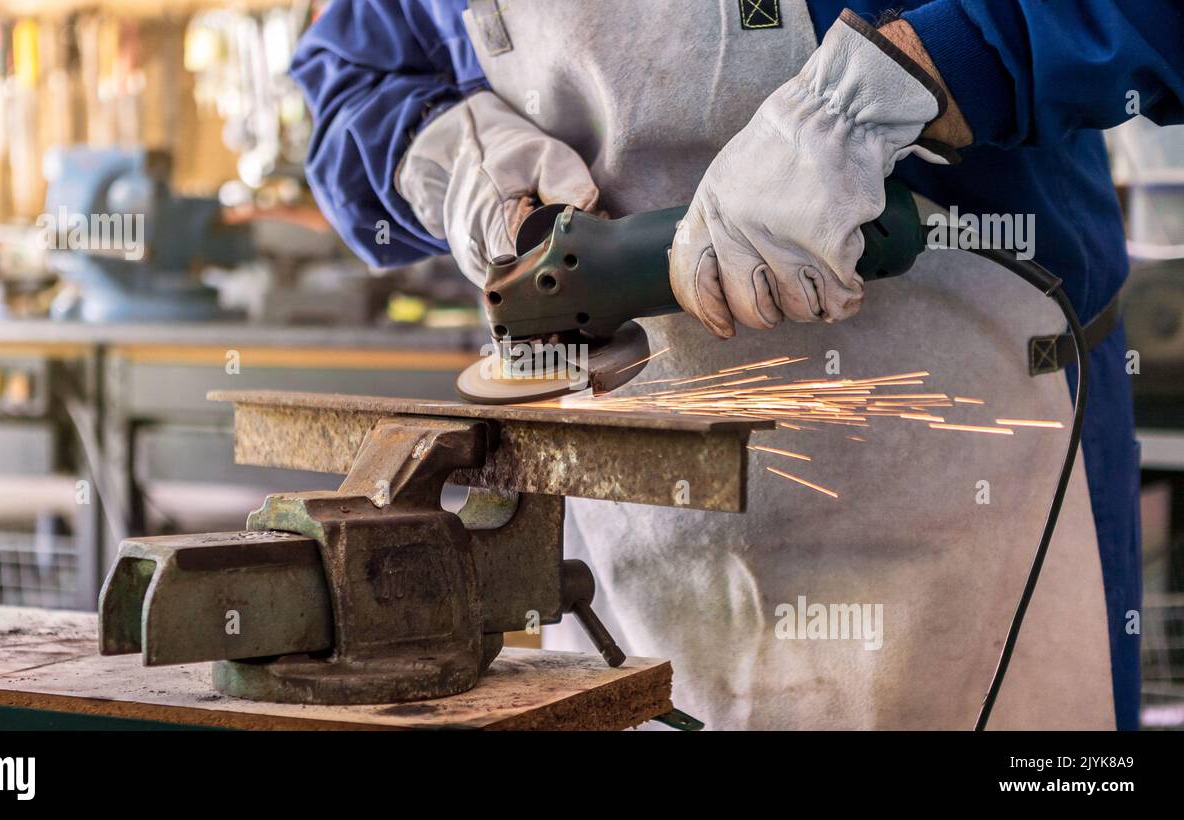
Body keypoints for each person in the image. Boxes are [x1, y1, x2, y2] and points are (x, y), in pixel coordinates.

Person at [291, 0, 1184, 730]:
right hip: (634, 528)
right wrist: (463, 167)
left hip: (973, 471)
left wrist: (899, 81)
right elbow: (352, 78)